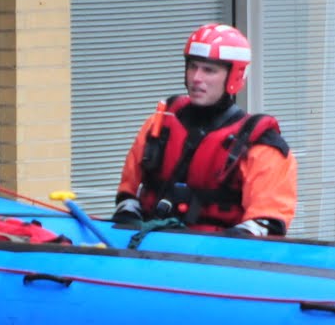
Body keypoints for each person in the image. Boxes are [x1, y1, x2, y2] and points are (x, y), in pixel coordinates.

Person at [111, 23, 297, 236]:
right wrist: (128, 219)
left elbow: (267, 221)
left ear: (234, 76)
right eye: (192, 66)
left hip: (216, 257)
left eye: (209, 70)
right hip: (148, 242)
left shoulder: (262, 143)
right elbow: (128, 193)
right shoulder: (160, 122)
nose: (196, 78)